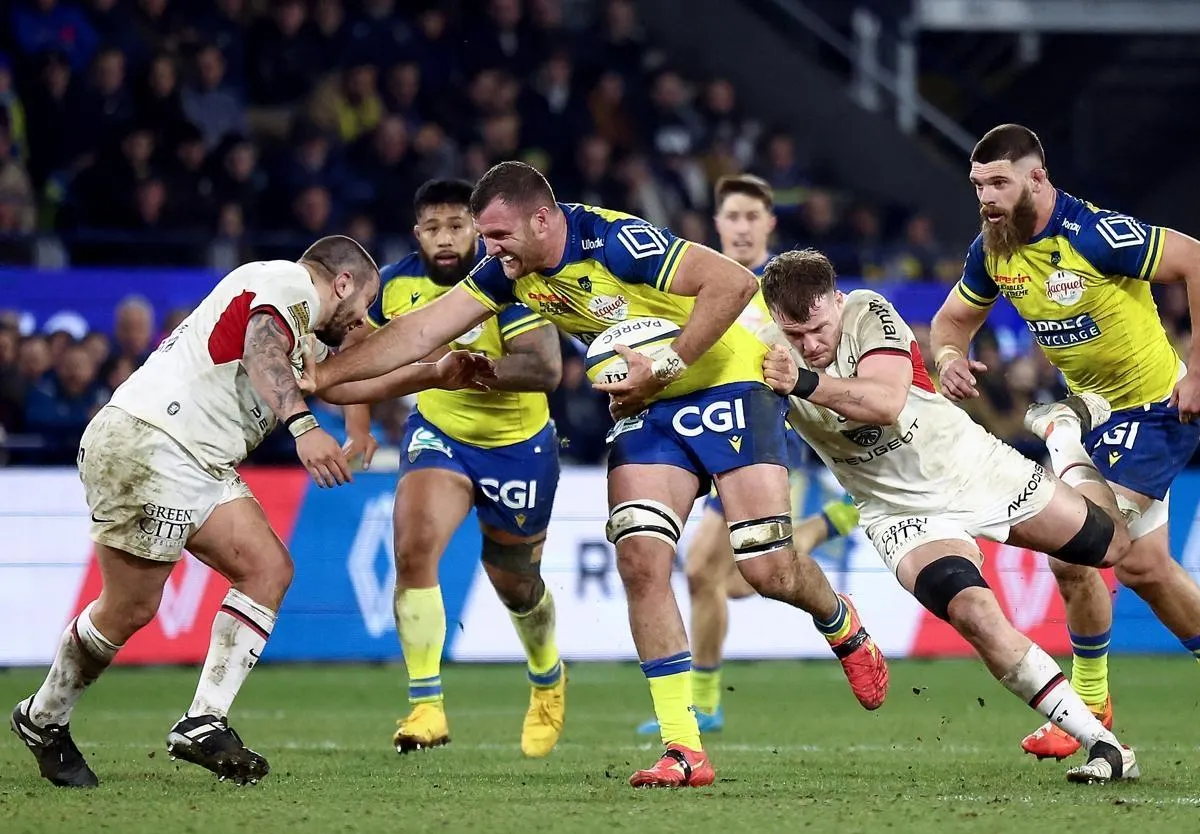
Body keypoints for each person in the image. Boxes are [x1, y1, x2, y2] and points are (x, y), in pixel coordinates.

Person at [301, 161, 889, 788]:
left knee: (766, 568)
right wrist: (323, 379)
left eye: (499, 236)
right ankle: (684, 748)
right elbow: (420, 332)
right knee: (640, 559)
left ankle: (841, 624)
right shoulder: (504, 274)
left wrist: (664, 364)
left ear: (542, 219)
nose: (489, 250)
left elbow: (734, 283)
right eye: (485, 237)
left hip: (730, 381)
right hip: (646, 407)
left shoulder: (610, 242)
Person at [8, 236, 490, 788]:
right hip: (155, 442)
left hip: (198, 459)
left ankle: (203, 721)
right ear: (342, 283)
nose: (360, 321)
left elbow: (338, 380)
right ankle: (42, 719)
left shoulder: (302, 320)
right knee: (129, 609)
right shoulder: (287, 283)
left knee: (268, 570)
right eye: (361, 307)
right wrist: (304, 429)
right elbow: (262, 348)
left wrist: (433, 373)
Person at [930, 123, 1200, 768]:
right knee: (1141, 567)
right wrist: (949, 355)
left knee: (1081, 549)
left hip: (1155, 411)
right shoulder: (993, 249)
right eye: (978, 185)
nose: (987, 197)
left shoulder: (1095, 235)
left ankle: (1090, 711)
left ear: (1038, 175)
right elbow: (951, 322)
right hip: (1096, 417)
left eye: (999, 181)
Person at [758, 249, 1139, 784]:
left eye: (818, 328)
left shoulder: (868, 312)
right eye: (795, 336)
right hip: (897, 512)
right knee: (974, 614)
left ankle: (1062, 436)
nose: (810, 345)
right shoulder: (762, 349)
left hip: (970, 466)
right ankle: (1103, 744)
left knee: (1115, 547)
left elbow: (886, 401)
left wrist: (801, 381)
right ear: (777, 322)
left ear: (837, 302)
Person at [336, 179, 567, 758]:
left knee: (514, 582)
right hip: (442, 435)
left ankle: (546, 677)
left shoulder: (509, 279)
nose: (446, 238)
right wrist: (358, 427)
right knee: (413, 548)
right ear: (417, 233)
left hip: (520, 445)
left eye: (457, 226)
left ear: (476, 226)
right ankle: (426, 705)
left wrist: (467, 367)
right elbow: (356, 356)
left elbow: (545, 369)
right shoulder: (392, 286)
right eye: (433, 228)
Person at [636, 174, 862, 736]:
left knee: (742, 577)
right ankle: (705, 703)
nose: (740, 227)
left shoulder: (784, 291)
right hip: (705, 431)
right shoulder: (699, 282)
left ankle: (824, 527)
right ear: (717, 225)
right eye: (731, 217)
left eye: (750, 218)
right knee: (703, 575)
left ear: (769, 224)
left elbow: (822, 356)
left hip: (767, 443)